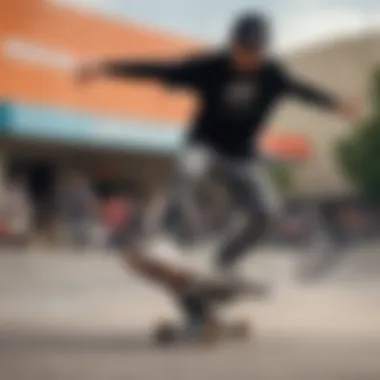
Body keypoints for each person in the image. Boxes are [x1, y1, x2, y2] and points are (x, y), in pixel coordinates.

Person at [76, 12, 359, 332]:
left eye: (254, 53)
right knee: (187, 168)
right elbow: (160, 69)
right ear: (233, 45)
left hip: (243, 156)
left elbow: (303, 91)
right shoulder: (210, 66)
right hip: (205, 146)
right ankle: (169, 240)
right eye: (241, 51)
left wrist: (336, 104)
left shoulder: (273, 75)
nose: (246, 59)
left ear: (263, 50)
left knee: (266, 212)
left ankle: (225, 260)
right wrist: (106, 68)